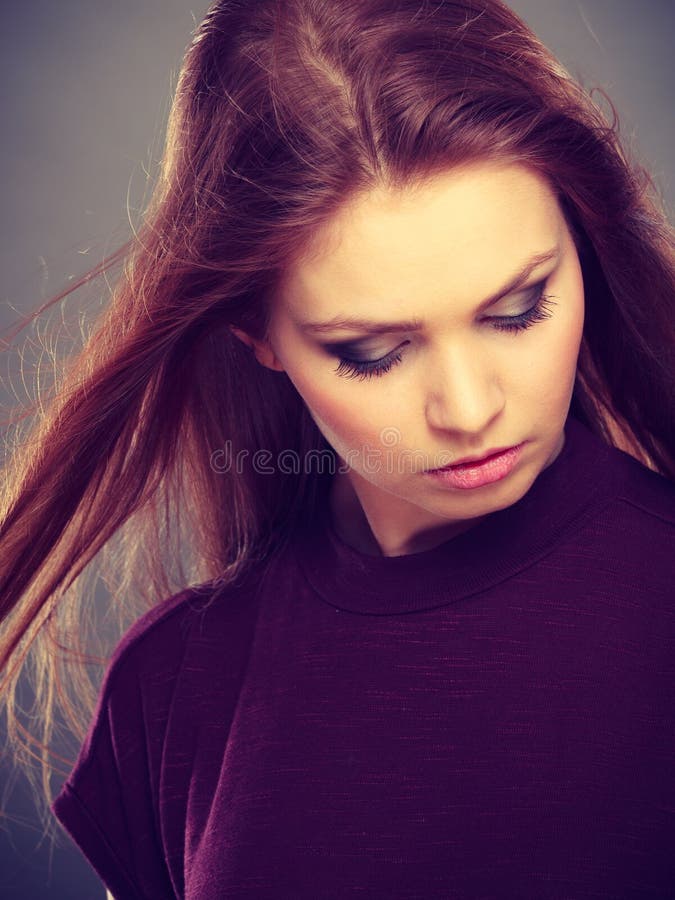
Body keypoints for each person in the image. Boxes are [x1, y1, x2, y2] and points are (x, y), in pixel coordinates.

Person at [1, 0, 674, 897]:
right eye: (371, 352)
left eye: (518, 309)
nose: (469, 410)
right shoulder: (174, 687)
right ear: (257, 334)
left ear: (582, 246)